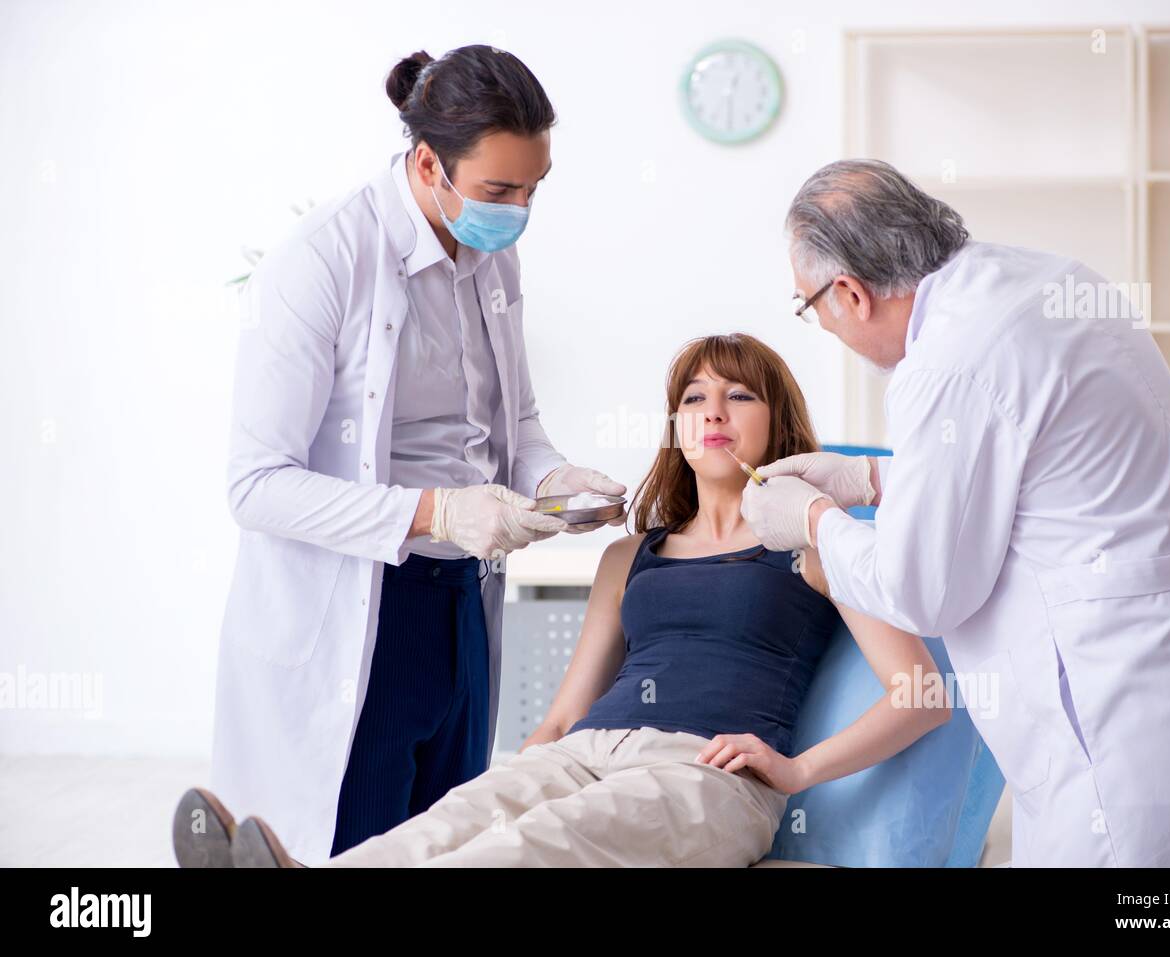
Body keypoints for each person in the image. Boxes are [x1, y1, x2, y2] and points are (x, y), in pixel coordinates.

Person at [175, 333, 952, 867]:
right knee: (449, 822)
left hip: (705, 777)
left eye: (740, 395)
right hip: (586, 751)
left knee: (528, 846)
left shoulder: (816, 538)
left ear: (776, 421)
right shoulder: (629, 554)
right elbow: (561, 713)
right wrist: (520, 766)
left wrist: (795, 770)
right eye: (694, 395)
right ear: (676, 425)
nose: (713, 409)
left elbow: (921, 695)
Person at [741, 158, 1170, 866]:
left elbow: (923, 591)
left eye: (809, 306)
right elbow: (1048, 467)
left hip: (1127, 720)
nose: (821, 325)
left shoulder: (944, 365)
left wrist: (816, 517)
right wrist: (872, 476)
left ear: (849, 292)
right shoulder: (1052, 281)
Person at [199, 46, 624, 869]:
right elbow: (256, 485)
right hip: (364, 605)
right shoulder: (322, 261)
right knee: (361, 840)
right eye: (500, 190)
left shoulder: (494, 253)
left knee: (448, 838)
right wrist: (435, 511)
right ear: (429, 162)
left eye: (535, 188)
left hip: (462, 594)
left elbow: (518, 419)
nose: (519, 209)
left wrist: (551, 476)